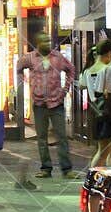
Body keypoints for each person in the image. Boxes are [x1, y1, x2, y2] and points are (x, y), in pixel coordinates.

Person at [18, 34, 76, 178]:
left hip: (56, 102)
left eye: (48, 41)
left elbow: (71, 69)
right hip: (39, 103)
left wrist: (65, 89)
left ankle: (67, 169)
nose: (47, 43)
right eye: (44, 41)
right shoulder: (30, 58)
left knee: (61, 136)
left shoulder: (57, 57)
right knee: (41, 137)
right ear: (37, 43)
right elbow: (19, 67)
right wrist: (26, 82)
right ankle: (46, 168)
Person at [83, 41, 111, 168]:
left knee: (102, 152)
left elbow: (83, 86)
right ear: (109, 53)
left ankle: (93, 181)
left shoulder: (87, 71)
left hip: (98, 114)